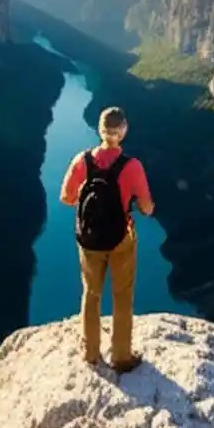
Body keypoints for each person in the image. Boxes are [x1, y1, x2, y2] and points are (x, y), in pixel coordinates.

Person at [60, 106, 155, 372]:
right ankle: (121, 356)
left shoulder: (82, 160)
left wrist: (91, 200)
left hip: (89, 239)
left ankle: (91, 352)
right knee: (122, 294)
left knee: (91, 293)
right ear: (122, 131)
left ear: (100, 130)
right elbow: (148, 208)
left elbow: (66, 198)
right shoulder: (132, 166)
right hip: (120, 239)